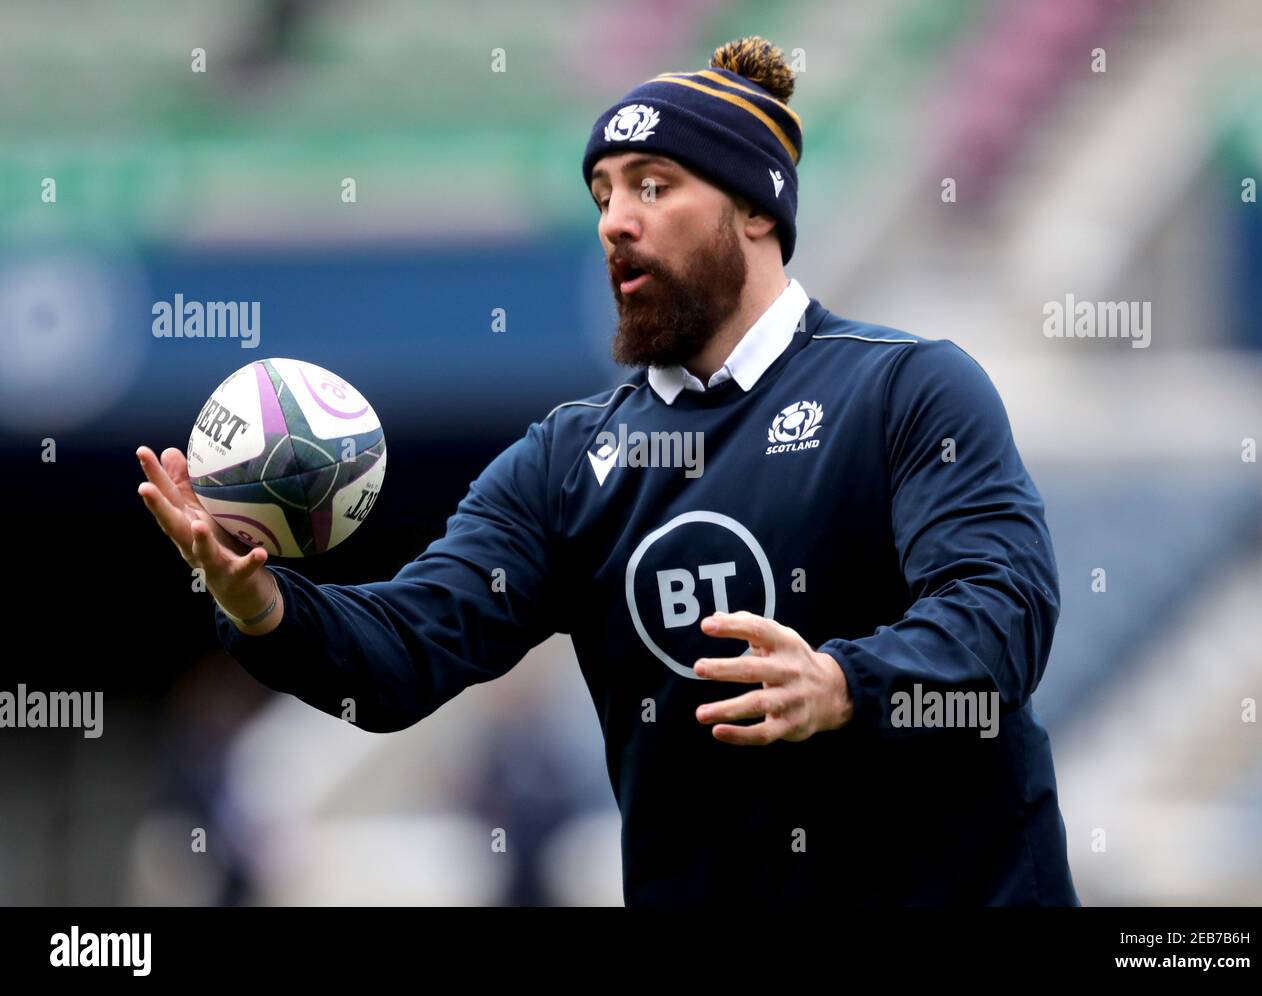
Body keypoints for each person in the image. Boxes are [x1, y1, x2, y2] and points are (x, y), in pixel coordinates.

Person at [137, 36, 1079, 906]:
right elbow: (402, 654)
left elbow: (1002, 617)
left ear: (755, 208)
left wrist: (843, 684)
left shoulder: (908, 389)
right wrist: (260, 603)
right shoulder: (566, 464)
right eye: (602, 195)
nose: (615, 223)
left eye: (653, 186)